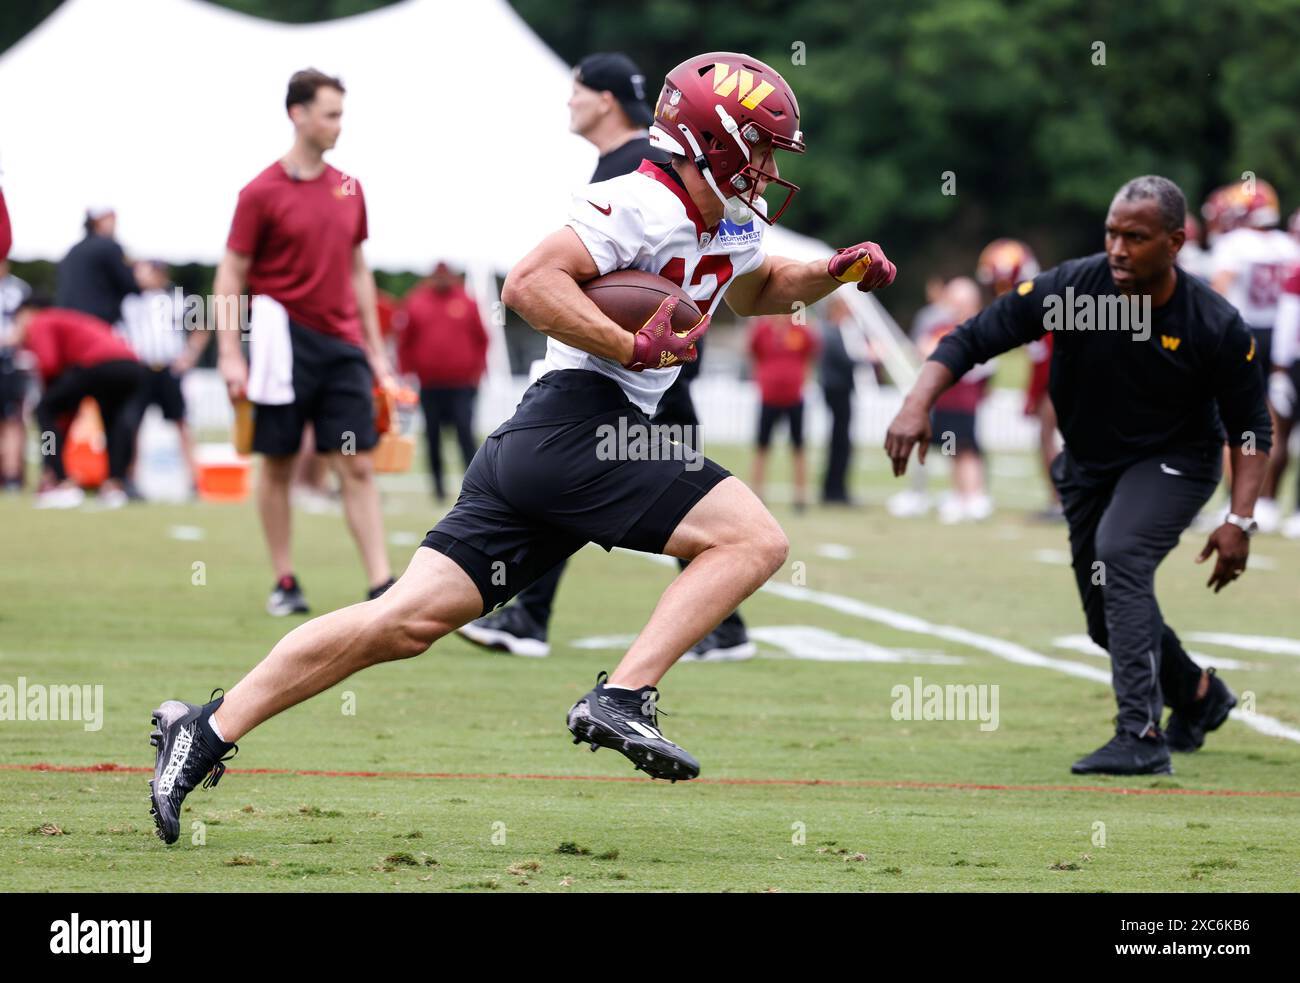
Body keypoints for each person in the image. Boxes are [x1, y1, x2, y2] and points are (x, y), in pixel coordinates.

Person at [145, 50, 897, 844]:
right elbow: (530, 284)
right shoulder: (639, 198)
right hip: (581, 422)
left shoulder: (727, 217)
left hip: (544, 443)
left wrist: (831, 272)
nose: (772, 166)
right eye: (763, 146)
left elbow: (754, 288)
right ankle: (624, 694)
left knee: (399, 620)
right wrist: (625, 343)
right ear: (714, 140)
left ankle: (206, 726)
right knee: (753, 538)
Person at [886, 175, 1268, 776]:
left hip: (1175, 462)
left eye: (1135, 238)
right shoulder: (1073, 289)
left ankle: (1140, 735)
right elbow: (973, 338)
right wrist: (917, 403)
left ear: (1173, 244)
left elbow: (1251, 430)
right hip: (1090, 465)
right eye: (1112, 233)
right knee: (1102, 618)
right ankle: (1198, 694)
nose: (1118, 248)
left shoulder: (1213, 322)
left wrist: (1239, 519)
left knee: (1120, 557)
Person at [458, 50, 757, 663]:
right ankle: (716, 628)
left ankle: (542, 626)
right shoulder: (639, 169)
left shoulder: (646, 176)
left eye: (577, 89)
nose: (569, 100)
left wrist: (632, 344)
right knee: (649, 500)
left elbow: (539, 282)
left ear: (605, 99)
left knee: (710, 519)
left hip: (640, 373)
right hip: (639, 366)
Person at [213, 68, 396, 616]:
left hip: (341, 346)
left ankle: (382, 584)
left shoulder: (349, 187)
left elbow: (359, 270)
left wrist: (376, 352)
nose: (339, 125)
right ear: (299, 114)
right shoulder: (260, 192)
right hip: (279, 344)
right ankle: (285, 580)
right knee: (277, 462)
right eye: (330, 114)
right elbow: (230, 273)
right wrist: (227, 351)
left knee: (357, 462)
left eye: (341, 113)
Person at [1207, 178, 1300, 534]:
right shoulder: (1287, 246)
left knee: (1233, 425)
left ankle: (1235, 504)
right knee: (1271, 427)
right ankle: (1264, 502)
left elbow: (1218, 295)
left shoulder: (1234, 245)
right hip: (1280, 343)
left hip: (1241, 336)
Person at [13, 298, 147, 509]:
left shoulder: (40, 320)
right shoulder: (66, 320)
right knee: (113, 421)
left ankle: (58, 480)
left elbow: (48, 363)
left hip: (97, 364)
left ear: (27, 312)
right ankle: (115, 485)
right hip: (130, 366)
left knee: (44, 410)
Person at [976, 238, 1059, 518]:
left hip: (1067, 375)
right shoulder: (1045, 291)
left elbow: (1043, 357)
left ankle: (1062, 501)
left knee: (1049, 436)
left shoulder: (1032, 300)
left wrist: (1032, 397)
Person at [395, 262, 487, 502]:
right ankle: (437, 487)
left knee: (465, 434)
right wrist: (406, 373)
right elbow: (405, 341)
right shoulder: (416, 302)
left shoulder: (467, 302)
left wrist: (477, 371)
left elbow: (482, 339)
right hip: (430, 384)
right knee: (432, 436)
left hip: (462, 384)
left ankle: (475, 487)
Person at [119, 261, 210, 496]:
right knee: (133, 424)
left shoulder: (176, 299)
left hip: (169, 370)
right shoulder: (129, 301)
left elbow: (202, 325)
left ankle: (194, 480)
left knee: (181, 423)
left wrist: (189, 356)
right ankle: (130, 478)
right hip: (140, 370)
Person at [920, 277, 995, 523]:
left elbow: (980, 364)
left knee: (966, 449)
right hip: (945, 399)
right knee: (951, 450)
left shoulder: (979, 327)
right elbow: (926, 350)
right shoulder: (944, 326)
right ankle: (959, 494)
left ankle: (973, 496)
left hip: (964, 400)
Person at [749, 313, 819, 510]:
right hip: (769, 397)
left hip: (794, 397)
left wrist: (803, 380)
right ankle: (757, 493)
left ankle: (800, 495)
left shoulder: (801, 330)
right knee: (762, 446)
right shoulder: (762, 330)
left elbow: (811, 354)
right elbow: (753, 354)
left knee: (798, 447)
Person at [55, 205, 140, 325]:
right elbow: (130, 284)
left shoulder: (72, 251)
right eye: (111, 218)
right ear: (98, 221)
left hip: (70, 325)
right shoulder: (110, 247)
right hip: (98, 325)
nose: (114, 224)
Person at [818, 294, 864, 505]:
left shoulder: (837, 331)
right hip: (837, 391)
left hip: (839, 390)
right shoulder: (831, 332)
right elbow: (845, 360)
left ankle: (836, 488)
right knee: (840, 441)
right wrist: (867, 357)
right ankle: (834, 491)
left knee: (841, 440)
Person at [1, 256, 32, 491]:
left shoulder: (18, 289)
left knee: (13, 419)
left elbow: (25, 326)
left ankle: (12, 475)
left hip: (10, 363)